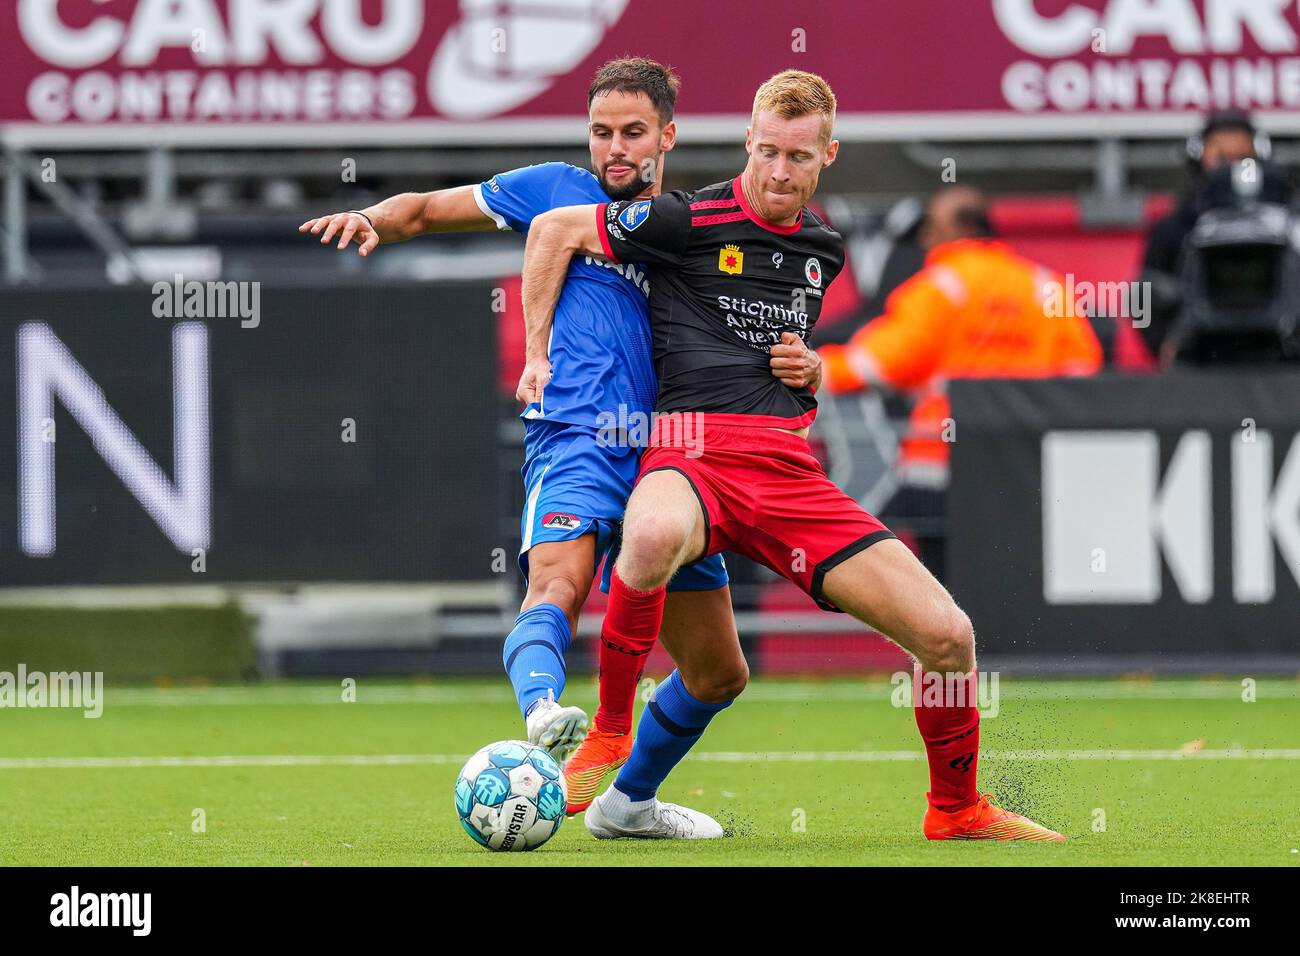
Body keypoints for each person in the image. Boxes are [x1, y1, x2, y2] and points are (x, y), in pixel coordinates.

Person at [523, 69, 1064, 841]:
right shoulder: (681, 217)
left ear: (827, 157)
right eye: (768, 151)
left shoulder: (822, 248)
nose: (780, 172)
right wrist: (537, 354)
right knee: (645, 539)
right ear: (748, 141)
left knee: (949, 637)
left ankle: (956, 809)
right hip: (691, 457)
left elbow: (772, 351)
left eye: (799, 158)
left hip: (786, 472)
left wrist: (809, 368)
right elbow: (553, 232)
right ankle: (612, 727)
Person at [298, 58, 821, 811]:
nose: (615, 148)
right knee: (556, 586)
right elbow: (422, 212)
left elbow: (769, 338)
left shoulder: (694, 226)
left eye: (633, 133)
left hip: (668, 463)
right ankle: (544, 714)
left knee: (718, 673)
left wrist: (813, 368)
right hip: (574, 438)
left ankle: (628, 806)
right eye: (601, 132)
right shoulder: (556, 189)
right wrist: (373, 218)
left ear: (666, 135)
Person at [818, 186, 1102, 580]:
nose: (923, 238)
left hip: (939, 472)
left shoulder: (941, 288)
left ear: (959, 227)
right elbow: (1081, 374)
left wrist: (807, 370)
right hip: (1023, 471)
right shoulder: (1044, 287)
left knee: (947, 593)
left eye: (931, 226)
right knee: (1013, 584)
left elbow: (880, 362)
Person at [1140, 110, 1268, 357]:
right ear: (1199, 158)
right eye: (1221, 158)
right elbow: (1142, 298)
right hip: (1199, 352)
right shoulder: (1173, 229)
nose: (1231, 167)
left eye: (1241, 158)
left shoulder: (1288, 223)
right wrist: (1167, 347)